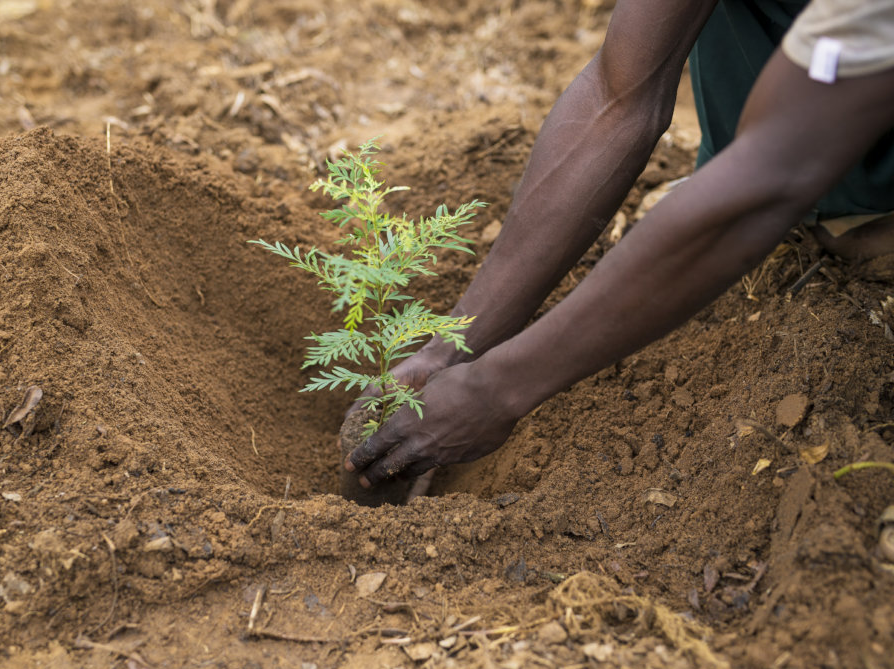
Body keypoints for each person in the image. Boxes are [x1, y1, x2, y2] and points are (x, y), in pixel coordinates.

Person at [344, 0, 894, 489]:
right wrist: (454, 346)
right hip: (782, 138)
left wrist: (495, 390)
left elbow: (765, 188)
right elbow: (618, 95)